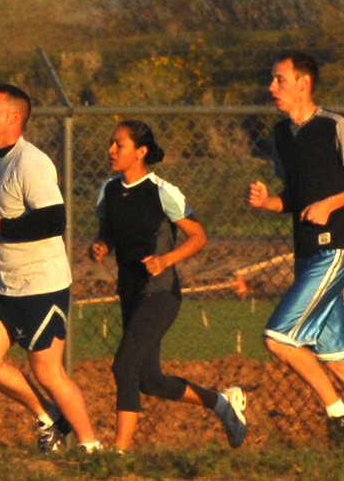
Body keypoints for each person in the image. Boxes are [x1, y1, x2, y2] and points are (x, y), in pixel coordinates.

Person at [245, 52, 344, 446]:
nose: (271, 88)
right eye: (272, 80)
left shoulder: (337, 128)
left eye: (280, 80)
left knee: (278, 338)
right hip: (306, 251)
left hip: (335, 249)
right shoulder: (282, 137)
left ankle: (337, 412)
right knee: (339, 359)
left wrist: (332, 204)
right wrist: (269, 203)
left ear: (304, 83)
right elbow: (297, 198)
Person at [88, 119, 248, 451]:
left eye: (120, 144)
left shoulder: (162, 191)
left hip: (160, 293)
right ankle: (223, 403)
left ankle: (118, 453)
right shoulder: (108, 190)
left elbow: (198, 236)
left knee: (125, 365)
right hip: (130, 291)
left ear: (140, 151)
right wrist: (102, 245)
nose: (111, 150)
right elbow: (108, 232)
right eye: (111, 143)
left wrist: (165, 260)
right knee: (150, 380)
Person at [0, 83, 100, 454]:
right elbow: (5, 220)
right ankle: (49, 417)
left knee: (48, 372)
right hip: (6, 285)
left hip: (42, 285)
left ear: (13, 118)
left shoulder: (32, 162)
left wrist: (0, 227)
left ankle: (92, 448)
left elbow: (54, 220)